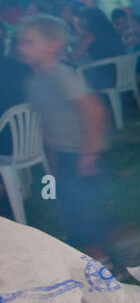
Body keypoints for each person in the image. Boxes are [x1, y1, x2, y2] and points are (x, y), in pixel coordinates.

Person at [16, 15, 110, 258]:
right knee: (73, 206)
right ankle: (90, 247)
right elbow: (46, 121)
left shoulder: (61, 74)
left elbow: (94, 110)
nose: (20, 47)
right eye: (20, 42)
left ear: (53, 44)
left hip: (85, 151)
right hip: (65, 153)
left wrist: (89, 154)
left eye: (28, 42)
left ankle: (100, 259)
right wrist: (53, 156)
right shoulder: (33, 80)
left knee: (85, 208)